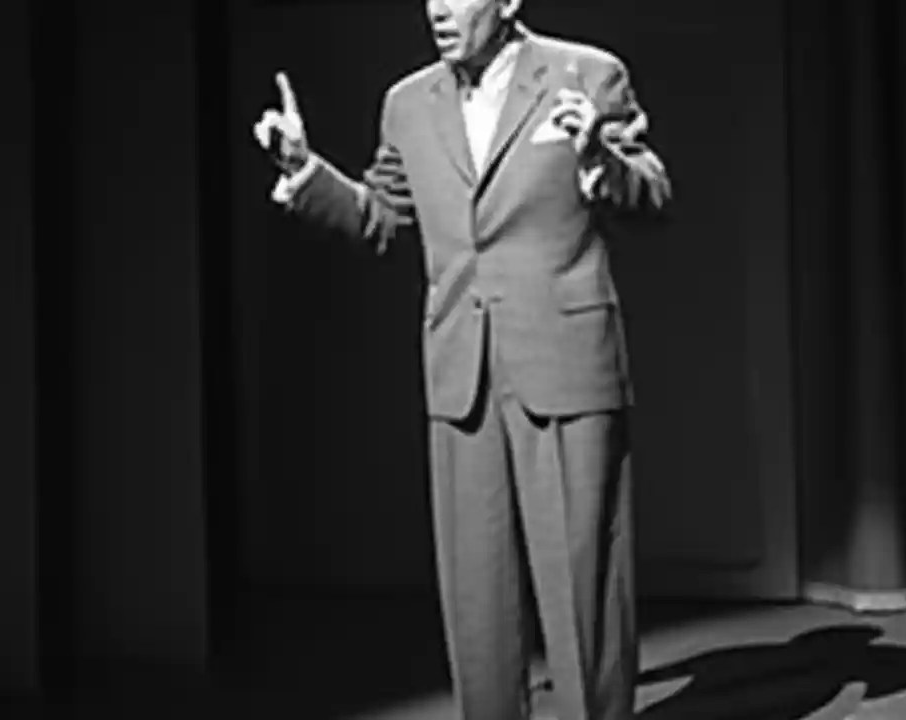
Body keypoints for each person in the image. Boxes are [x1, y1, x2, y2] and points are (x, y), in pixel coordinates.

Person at [253, 0, 670, 718]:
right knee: (478, 598)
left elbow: (653, 192)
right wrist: (308, 172)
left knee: (583, 591)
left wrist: (599, 161)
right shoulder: (409, 104)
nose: (438, 10)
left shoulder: (584, 74)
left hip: (564, 364)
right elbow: (381, 214)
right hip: (462, 371)